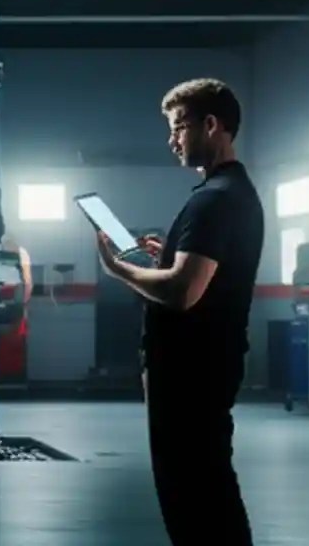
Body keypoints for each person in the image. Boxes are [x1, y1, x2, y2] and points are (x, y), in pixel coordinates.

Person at [93, 78, 263, 546]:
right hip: (206, 366)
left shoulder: (213, 200)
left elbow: (184, 292)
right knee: (208, 489)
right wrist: (171, 254)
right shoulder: (233, 192)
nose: (172, 139)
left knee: (193, 499)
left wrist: (119, 270)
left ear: (212, 125)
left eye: (179, 127)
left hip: (190, 373)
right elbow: (207, 273)